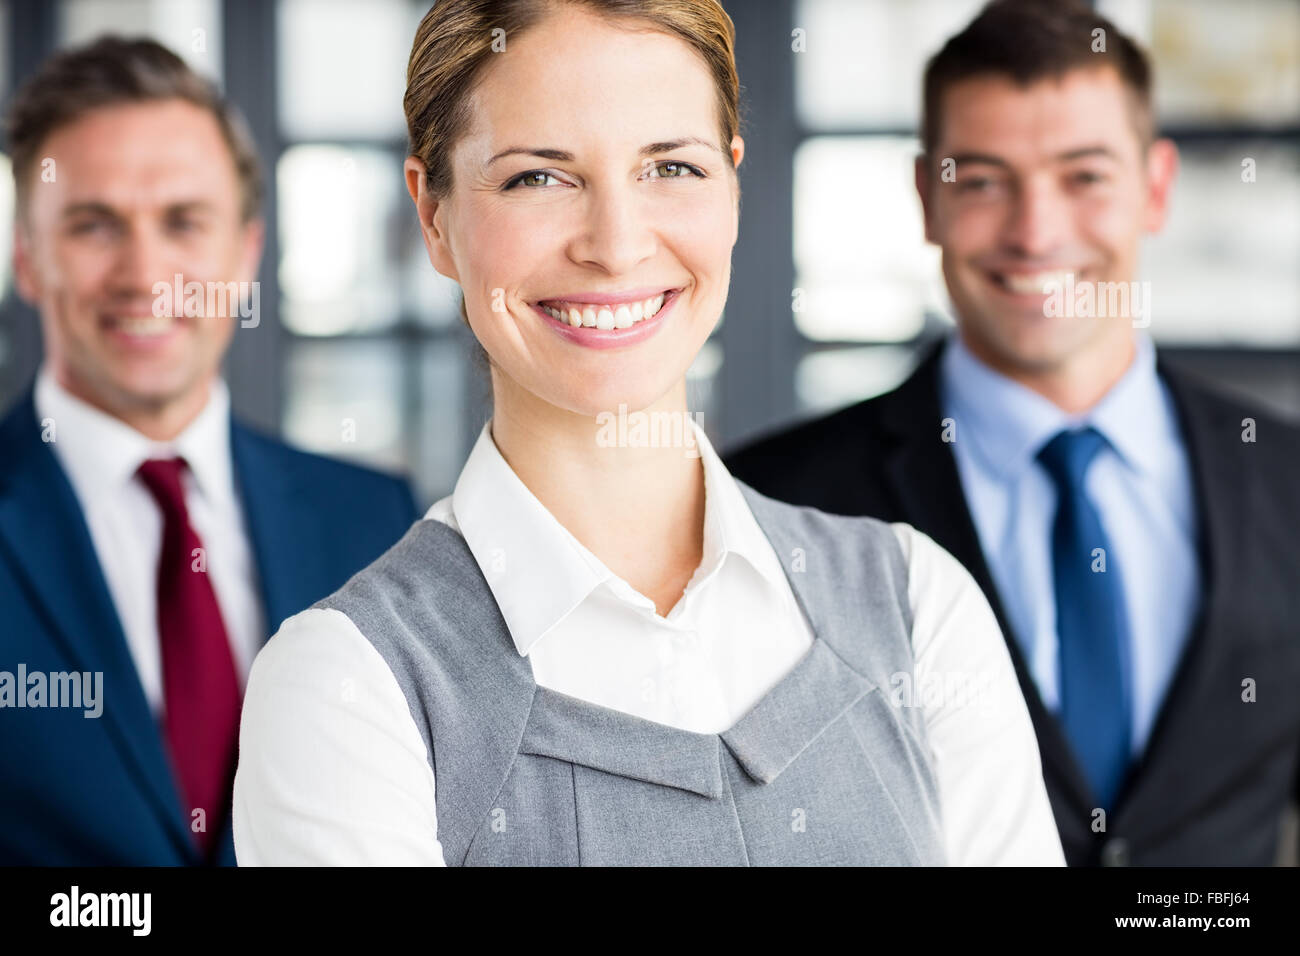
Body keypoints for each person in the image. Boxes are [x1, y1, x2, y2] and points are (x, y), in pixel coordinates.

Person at [232, 0, 1063, 867]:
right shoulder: (348, 687)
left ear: (734, 187)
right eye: (537, 177)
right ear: (434, 216)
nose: (618, 245)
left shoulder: (919, 606)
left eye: (670, 167)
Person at [726, 0, 1300, 866]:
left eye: (1085, 176)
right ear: (927, 198)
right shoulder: (770, 506)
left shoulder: (1287, 478)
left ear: (1155, 187)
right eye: (984, 179)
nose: (1036, 232)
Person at [0, 36, 419, 865]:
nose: (146, 272)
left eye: (184, 222)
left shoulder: (374, 520)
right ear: (27, 257)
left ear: (246, 253)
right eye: (93, 225)